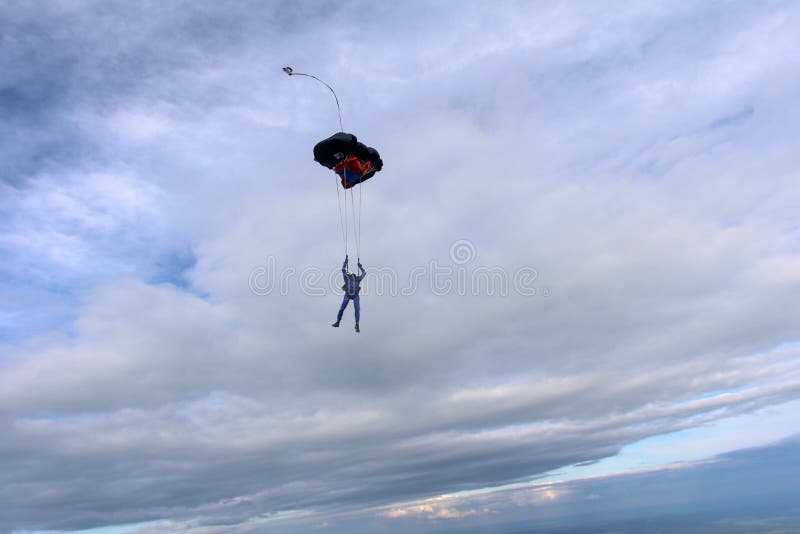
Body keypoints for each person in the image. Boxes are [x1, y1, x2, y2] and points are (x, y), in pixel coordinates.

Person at [332, 255, 365, 332]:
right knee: (342, 308)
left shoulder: (357, 279)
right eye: (351, 276)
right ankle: (338, 322)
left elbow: (364, 273)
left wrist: (360, 266)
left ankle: (357, 324)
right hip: (348, 294)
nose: (352, 276)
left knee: (357, 309)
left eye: (353, 276)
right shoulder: (347, 278)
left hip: (355, 295)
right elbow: (343, 269)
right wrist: (345, 262)